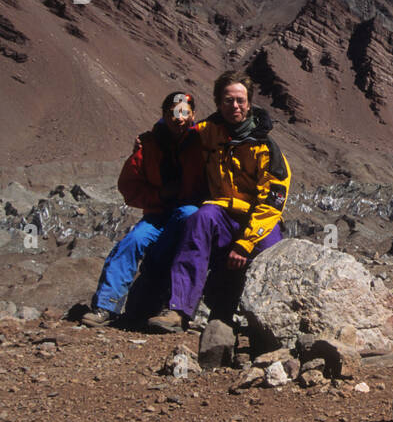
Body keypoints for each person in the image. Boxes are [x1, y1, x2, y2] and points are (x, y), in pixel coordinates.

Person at [147, 71, 291, 334]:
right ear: (218, 102)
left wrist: (245, 243)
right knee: (199, 218)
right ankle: (178, 309)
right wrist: (155, 133)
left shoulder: (266, 147)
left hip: (258, 219)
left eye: (239, 100)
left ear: (249, 103)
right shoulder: (207, 132)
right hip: (222, 212)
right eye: (227, 100)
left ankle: (269, 327)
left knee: (272, 256)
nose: (234, 106)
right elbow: (176, 130)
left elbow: (272, 202)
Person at [80, 91, 206, 327]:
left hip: (188, 211)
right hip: (158, 214)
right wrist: (157, 196)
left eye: (183, 112)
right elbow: (129, 185)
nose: (178, 118)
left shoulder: (203, 140)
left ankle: (177, 305)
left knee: (189, 214)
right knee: (133, 241)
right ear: (164, 115)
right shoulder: (149, 145)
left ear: (193, 115)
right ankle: (106, 305)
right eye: (172, 113)